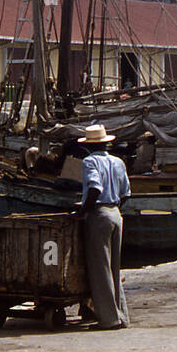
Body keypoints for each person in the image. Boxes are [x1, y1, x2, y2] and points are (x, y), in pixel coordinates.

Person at [73, 124, 131, 330]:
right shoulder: (118, 162)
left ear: (88, 146)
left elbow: (95, 189)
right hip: (117, 214)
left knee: (100, 269)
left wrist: (83, 211)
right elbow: (126, 194)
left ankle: (108, 319)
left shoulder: (90, 161)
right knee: (115, 267)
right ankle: (121, 315)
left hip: (99, 215)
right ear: (107, 143)